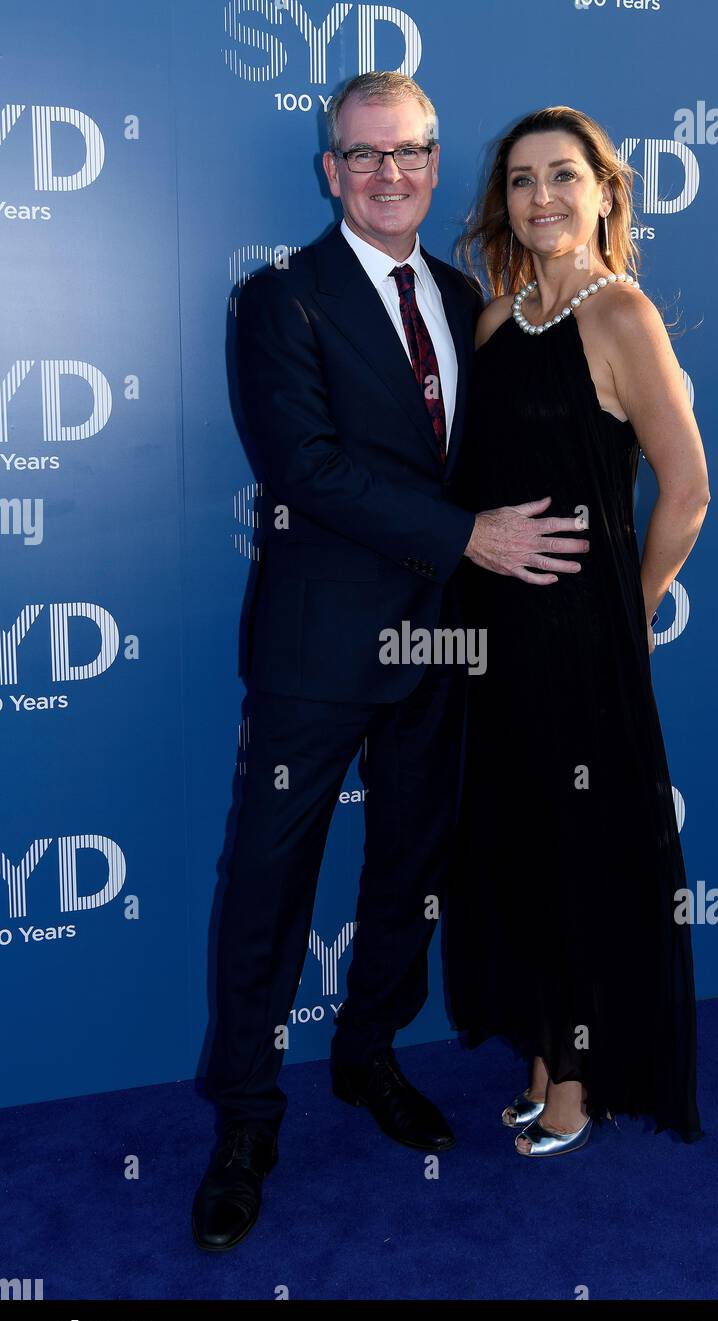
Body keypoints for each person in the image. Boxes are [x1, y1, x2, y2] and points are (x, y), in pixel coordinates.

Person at [192, 75, 589, 1250]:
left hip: (444, 645)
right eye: (361, 157)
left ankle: (367, 1058)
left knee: (410, 868)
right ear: (329, 170)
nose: (386, 175)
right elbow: (304, 467)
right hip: (318, 649)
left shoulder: (469, 295)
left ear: (431, 161)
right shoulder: (279, 300)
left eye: (408, 154)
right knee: (269, 887)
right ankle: (245, 1121)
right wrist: (468, 536)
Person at [445, 106, 710, 1158]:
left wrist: (628, 613)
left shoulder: (621, 314)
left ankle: (582, 1082)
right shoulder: (494, 321)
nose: (539, 196)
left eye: (562, 175)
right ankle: (545, 1055)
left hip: (579, 642)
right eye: (519, 179)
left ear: (605, 190)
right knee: (516, 846)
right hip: (493, 635)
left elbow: (685, 491)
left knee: (579, 853)